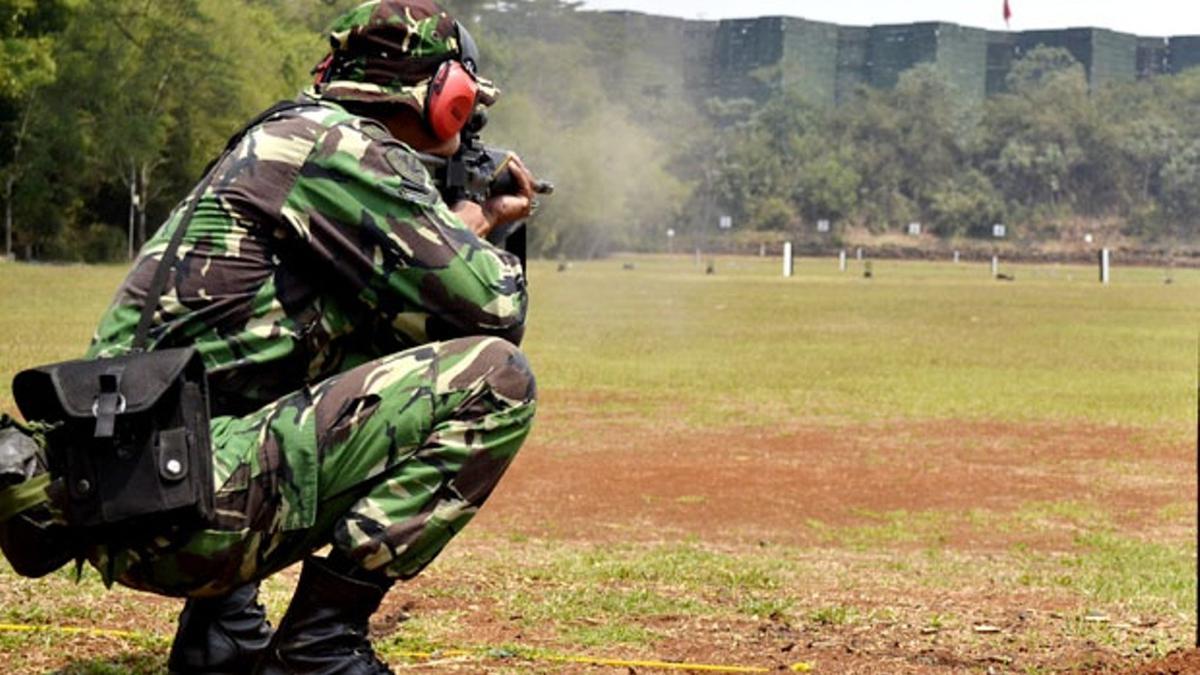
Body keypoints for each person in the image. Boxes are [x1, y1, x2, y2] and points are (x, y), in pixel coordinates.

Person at [0, 0, 538, 672]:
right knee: (497, 379)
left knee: (351, 344)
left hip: (126, 496)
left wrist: (458, 222)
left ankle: (222, 628)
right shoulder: (344, 151)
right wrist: (483, 222)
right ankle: (322, 643)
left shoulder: (286, 137)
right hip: (180, 513)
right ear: (442, 95)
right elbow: (493, 308)